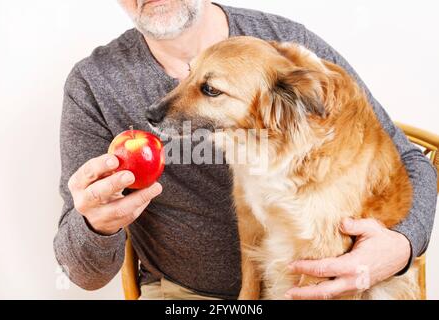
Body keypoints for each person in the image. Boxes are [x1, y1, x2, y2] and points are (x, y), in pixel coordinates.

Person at [54, 0, 437, 300]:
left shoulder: (289, 52)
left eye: (209, 89)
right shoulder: (94, 84)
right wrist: (94, 224)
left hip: (332, 287)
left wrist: (401, 246)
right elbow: (82, 273)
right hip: (186, 297)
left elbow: (409, 161)